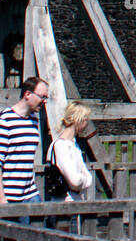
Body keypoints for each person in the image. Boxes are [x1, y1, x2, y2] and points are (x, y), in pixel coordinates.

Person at [0, 76, 49, 215]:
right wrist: (2, 199)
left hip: (30, 194)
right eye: (42, 97)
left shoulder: (34, 120)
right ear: (28, 94)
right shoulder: (5, 121)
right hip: (10, 196)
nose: (44, 101)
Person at [46, 101, 94, 205]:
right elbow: (75, 180)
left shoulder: (74, 145)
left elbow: (88, 178)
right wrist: (84, 179)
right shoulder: (61, 146)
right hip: (63, 203)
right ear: (78, 120)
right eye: (86, 119)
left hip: (74, 201)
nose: (87, 124)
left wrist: (83, 179)